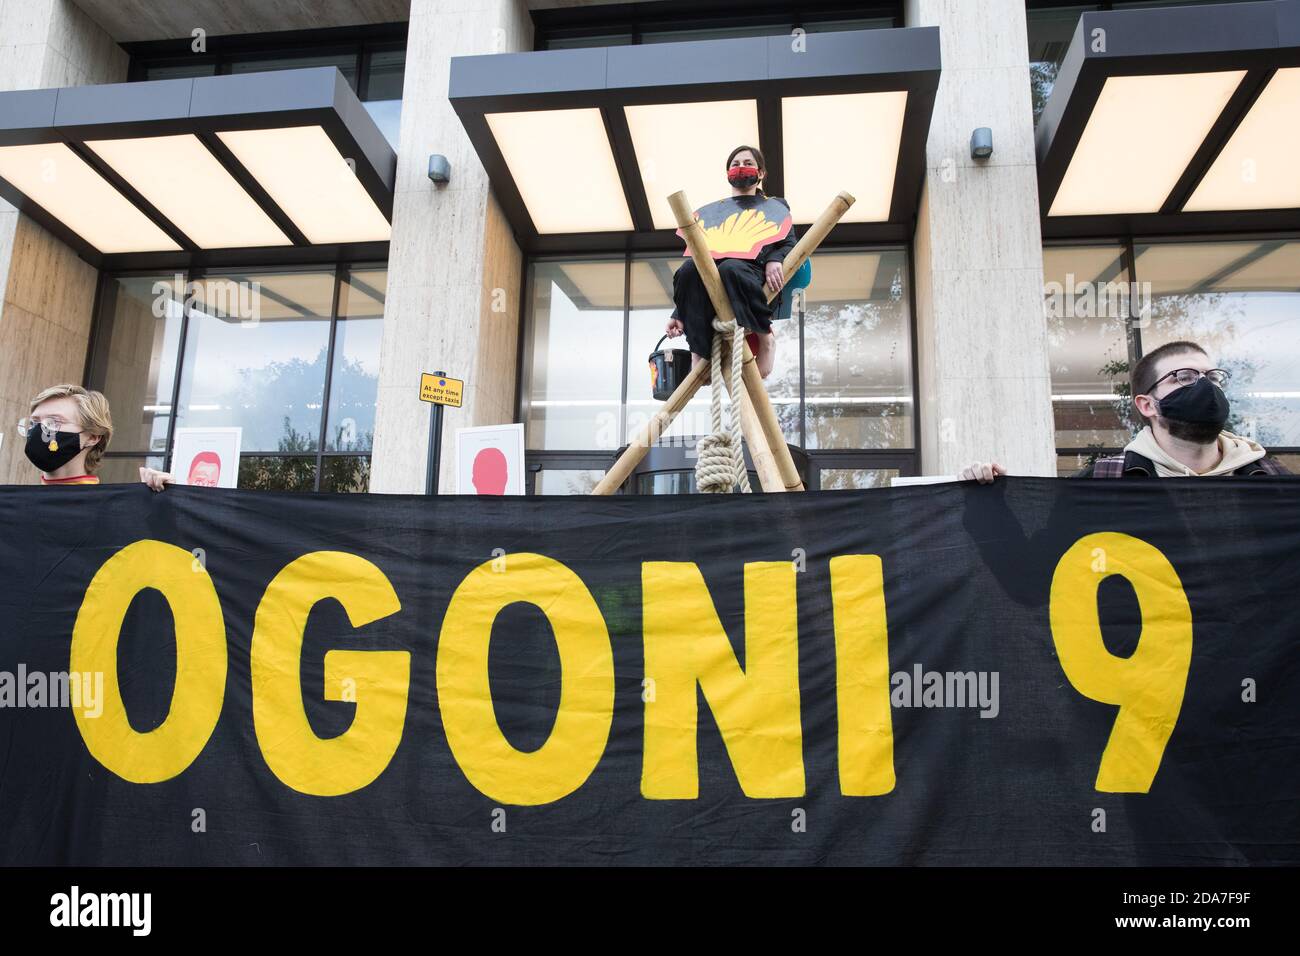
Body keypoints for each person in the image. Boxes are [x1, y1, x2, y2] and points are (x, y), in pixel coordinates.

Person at [959, 340, 1290, 482]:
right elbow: (1037, 562)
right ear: (1147, 404)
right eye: (1184, 377)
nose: (1204, 387)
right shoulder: (1104, 482)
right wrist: (990, 499)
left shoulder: (1271, 479)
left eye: (1212, 377)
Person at [664, 145, 797, 381]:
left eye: (747, 163)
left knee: (731, 267)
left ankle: (765, 336)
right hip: (713, 275)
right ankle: (699, 350)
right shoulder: (715, 212)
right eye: (735, 164)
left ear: (761, 173)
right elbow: (700, 257)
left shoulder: (775, 206)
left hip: (750, 273)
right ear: (727, 173)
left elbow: (789, 242)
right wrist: (679, 312)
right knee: (687, 269)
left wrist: (775, 259)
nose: (741, 167)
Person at [19, 384, 113, 485]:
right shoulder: (15, 499)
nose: (39, 429)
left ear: (92, 437)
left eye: (54, 422)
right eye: (34, 422)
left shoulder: (102, 500)